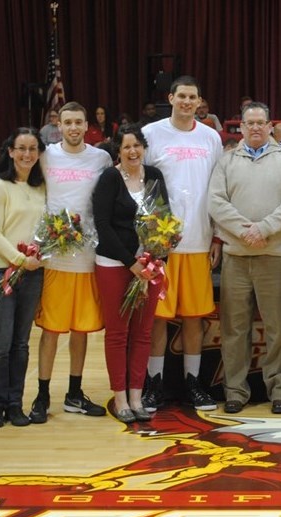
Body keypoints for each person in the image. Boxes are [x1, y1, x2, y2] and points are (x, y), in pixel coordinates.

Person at [208, 101, 281, 414]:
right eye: (248, 123)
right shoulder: (227, 161)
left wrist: (264, 228)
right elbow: (216, 202)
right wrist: (243, 231)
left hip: (274, 255)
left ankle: (280, 390)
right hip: (235, 256)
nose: (254, 128)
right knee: (235, 328)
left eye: (259, 123)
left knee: (279, 327)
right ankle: (235, 390)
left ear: (269, 126)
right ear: (240, 128)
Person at [141, 75, 223, 412]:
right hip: (161, 246)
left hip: (200, 241)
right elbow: (140, 186)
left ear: (200, 102)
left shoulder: (211, 138)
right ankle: (154, 385)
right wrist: (145, 238)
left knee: (194, 317)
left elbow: (220, 187)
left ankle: (194, 383)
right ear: (171, 98)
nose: (187, 102)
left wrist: (217, 235)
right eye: (182, 96)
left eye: (193, 97)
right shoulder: (151, 134)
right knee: (158, 317)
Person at [29, 101, 114, 424]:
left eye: (79, 122)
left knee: (81, 330)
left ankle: (74, 394)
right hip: (54, 260)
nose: (74, 128)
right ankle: (42, 394)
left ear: (86, 124)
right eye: (68, 123)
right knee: (51, 330)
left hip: (88, 257)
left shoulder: (101, 157)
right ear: (58, 126)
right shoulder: (46, 155)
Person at [93, 124, 169, 424]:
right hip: (114, 264)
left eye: (137, 145)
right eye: (126, 147)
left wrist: (156, 256)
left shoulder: (155, 176)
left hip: (149, 267)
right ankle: (121, 398)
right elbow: (103, 224)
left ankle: (137, 396)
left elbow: (164, 218)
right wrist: (130, 262)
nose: (133, 151)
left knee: (143, 333)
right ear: (118, 152)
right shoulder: (110, 178)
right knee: (118, 333)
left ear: (144, 148)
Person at [0, 127, 46, 428]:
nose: (27, 154)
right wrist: (21, 260)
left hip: (33, 274)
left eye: (33, 149)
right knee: (1, 344)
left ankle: (15, 404)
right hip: (2, 271)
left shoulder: (41, 187)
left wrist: (42, 255)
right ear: (10, 151)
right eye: (21, 148)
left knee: (21, 343)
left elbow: (47, 231)